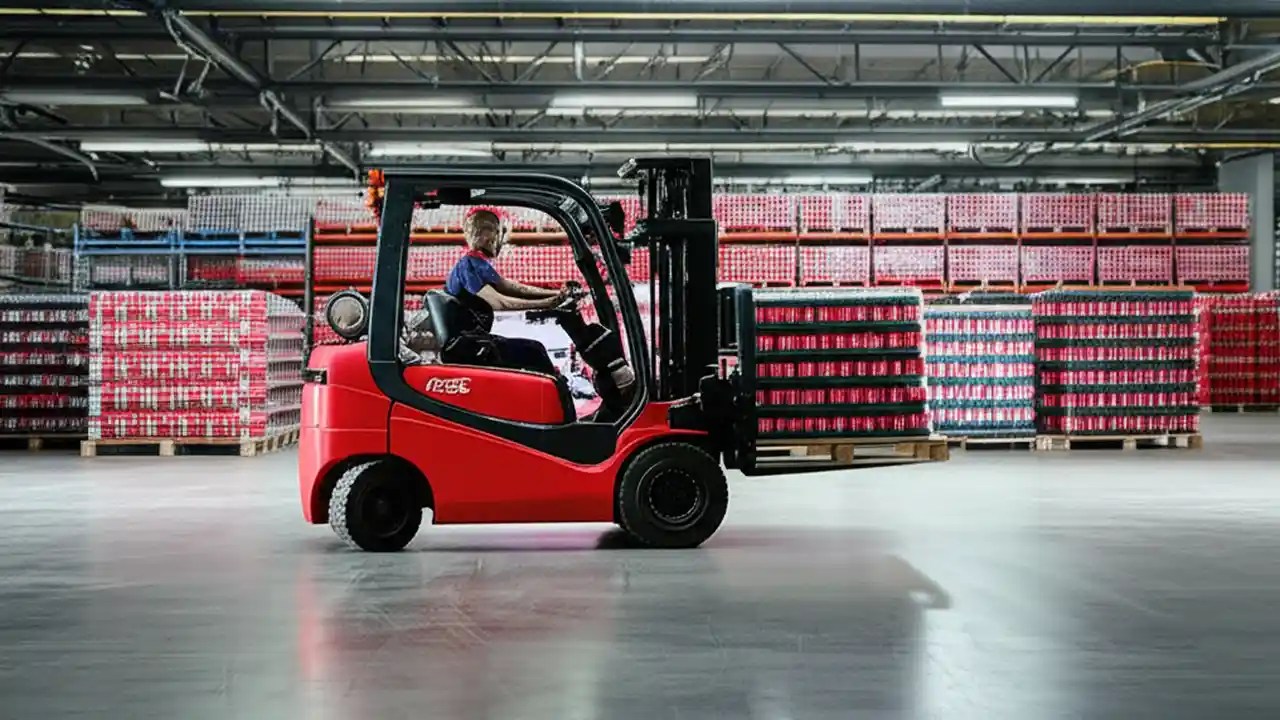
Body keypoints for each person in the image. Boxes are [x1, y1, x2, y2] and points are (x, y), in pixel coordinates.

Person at [444, 207, 566, 375]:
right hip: (470, 345)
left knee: (534, 350)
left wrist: (555, 294)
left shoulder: (477, 262)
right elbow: (500, 302)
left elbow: (510, 287)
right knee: (535, 351)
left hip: (473, 340)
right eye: (497, 232)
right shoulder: (468, 265)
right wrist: (548, 303)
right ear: (488, 235)